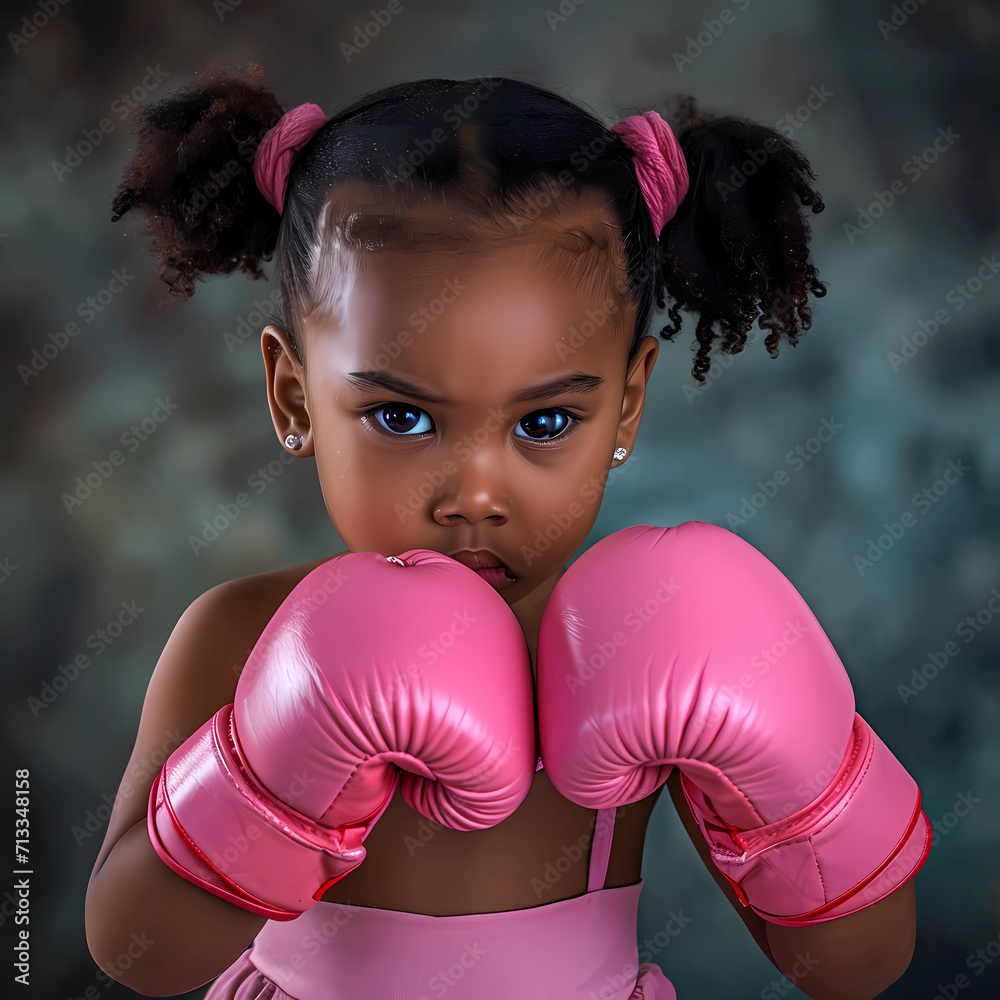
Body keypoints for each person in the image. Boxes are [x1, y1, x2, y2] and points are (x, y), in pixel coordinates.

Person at [84, 63, 930, 999]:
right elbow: (136, 953)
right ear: (294, 395)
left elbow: (856, 968)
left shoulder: (652, 634)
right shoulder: (241, 633)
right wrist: (268, 777)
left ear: (627, 405)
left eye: (545, 423)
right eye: (403, 418)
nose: (475, 495)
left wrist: (805, 784)